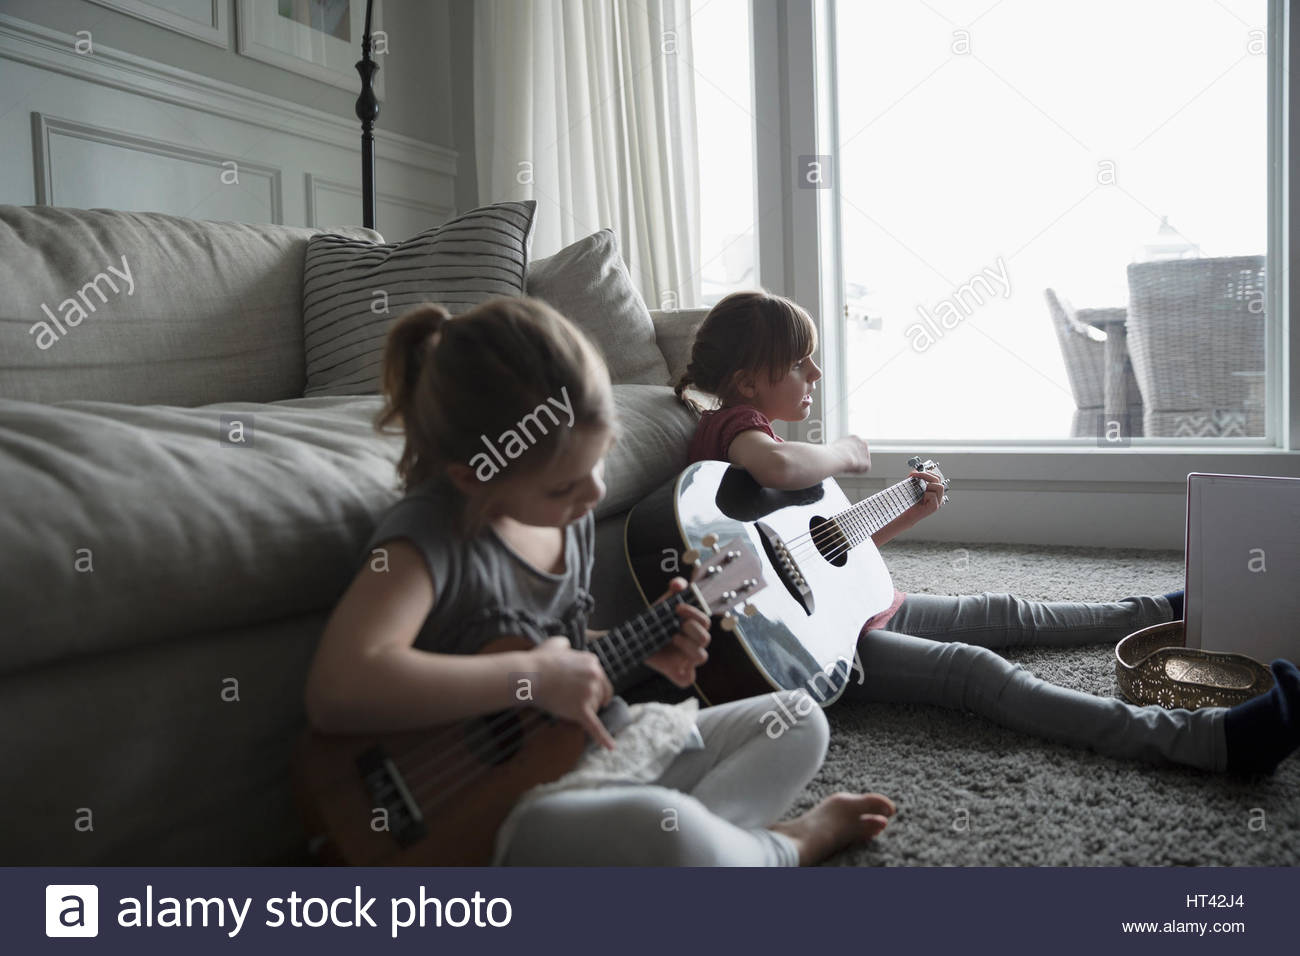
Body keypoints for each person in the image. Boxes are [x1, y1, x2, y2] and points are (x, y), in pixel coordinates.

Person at [304, 296, 897, 866]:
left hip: (594, 751)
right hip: (493, 811)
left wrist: (640, 648)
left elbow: (554, 647)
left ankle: (695, 857)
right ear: (472, 476)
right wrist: (532, 677)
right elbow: (340, 688)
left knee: (799, 720)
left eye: (597, 463)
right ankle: (781, 849)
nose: (591, 495)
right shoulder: (433, 534)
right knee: (665, 834)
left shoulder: (569, 522)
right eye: (563, 486)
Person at [674, 289, 1300, 776]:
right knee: (976, 672)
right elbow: (779, 465)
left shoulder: (755, 443)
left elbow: (823, 559)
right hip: (824, 649)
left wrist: (910, 512)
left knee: (1004, 609)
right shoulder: (732, 428)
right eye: (797, 361)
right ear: (750, 381)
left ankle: (1162, 611)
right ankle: (1208, 740)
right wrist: (842, 452)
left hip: (857, 611)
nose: (813, 371)